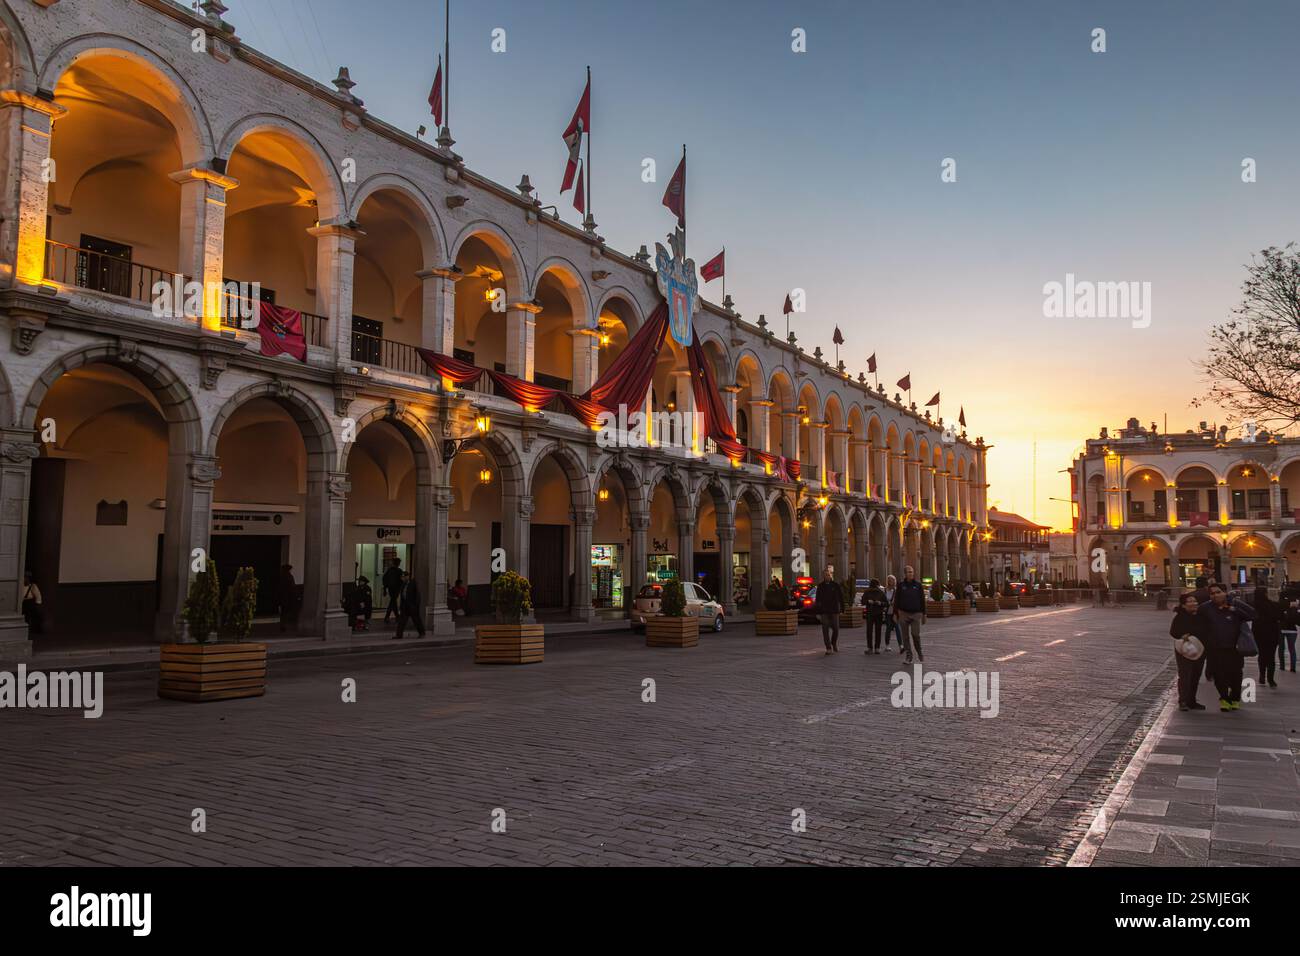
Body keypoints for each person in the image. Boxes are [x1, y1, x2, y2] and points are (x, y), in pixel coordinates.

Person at [1197, 582, 1256, 711]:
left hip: (1234, 648)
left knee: (1235, 674)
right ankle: (1224, 698)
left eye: (1218, 592)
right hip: (1215, 648)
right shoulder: (1205, 608)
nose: (1215, 595)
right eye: (1212, 593)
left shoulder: (1235, 603)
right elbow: (1197, 621)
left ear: (1225, 592)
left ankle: (1235, 698)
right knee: (1219, 675)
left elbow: (1252, 615)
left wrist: (1233, 610)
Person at [1168, 593, 1207, 711]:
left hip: (1199, 648)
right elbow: (1173, 632)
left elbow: (1206, 629)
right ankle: (1183, 700)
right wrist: (1184, 635)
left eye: (1194, 601)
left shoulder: (1201, 616)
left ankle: (1192, 700)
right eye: (1189, 601)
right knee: (1185, 674)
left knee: (1196, 675)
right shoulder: (1180, 617)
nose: (1193, 603)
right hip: (1184, 650)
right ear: (1184, 605)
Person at [894, 565, 927, 665]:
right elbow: (897, 600)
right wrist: (895, 613)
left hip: (916, 614)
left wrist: (924, 614)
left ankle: (919, 651)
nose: (911, 574)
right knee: (905, 637)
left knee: (915, 634)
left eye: (912, 572)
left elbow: (922, 600)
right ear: (905, 574)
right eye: (908, 572)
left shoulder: (918, 585)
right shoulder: (900, 585)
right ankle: (909, 655)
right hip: (903, 613)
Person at [1252, 585, 1281, 688]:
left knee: (1262, 655)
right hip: (1272, 634)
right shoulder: (1272, 605)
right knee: (1271, 657)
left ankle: (1262, 675)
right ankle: (1271, 679)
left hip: (1259, 634)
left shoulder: (1254, 606)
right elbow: (1279, 616)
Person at [813, 567, 842, 655]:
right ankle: (828, 647)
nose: (827, 576)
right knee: (825, 629)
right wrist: (817, 613)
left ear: (830, 575)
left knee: (836, 629)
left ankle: (833, 642)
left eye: (828, 575)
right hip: (824, 611)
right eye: (825, 575)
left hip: (834, 610)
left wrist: (842, 609)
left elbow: (841, 597)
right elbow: (817, 600)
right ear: (823, 576)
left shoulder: (835, 585)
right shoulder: (820, 586)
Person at [394, 570, 425, 639]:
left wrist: (416, 605)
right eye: (401, 577)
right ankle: (399, 635)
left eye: (403, 577)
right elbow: (402, 596)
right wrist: (401, 606)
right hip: (405, 606)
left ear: (407, 577)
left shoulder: (413, 583)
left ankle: (422, 633)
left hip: (412, 606)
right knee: (402, 621)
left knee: (416, 620)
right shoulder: (403, 585)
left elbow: (417, 595)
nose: (402, 578)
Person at [861, 578, 887, 655]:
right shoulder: (881, 592)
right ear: (877, 585)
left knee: (869, 631)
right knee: (878, 631)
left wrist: (868, 602)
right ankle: (877, 648)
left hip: (870, 613)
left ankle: (870, 648)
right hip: (878, 613)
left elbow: (862, 601)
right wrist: (880, 603)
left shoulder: (867, 592)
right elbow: (886, 603)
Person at [882, 574, 903, 652]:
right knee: (888, 628)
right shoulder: (884, 590)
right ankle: (887, 645)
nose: (892, 581)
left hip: (895, 612)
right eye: (890, 580)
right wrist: (886, 604)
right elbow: (882, 600)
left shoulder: (897, 590)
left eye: (893, 580)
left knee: (897, 628)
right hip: (887, 612)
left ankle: (901, 645)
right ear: (888, 581)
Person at [277, 563, 299, 633]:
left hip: (283, 597)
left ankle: (283, 625)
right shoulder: (289, 577)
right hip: (288, 597)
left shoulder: (281, 577)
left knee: (283, 612)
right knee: (287, 612)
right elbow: (292, 587)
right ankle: (285, 625)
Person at [382, 558, 404, 624]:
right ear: (398, 563)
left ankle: (396, 616)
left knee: (393, 601)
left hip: (391, 589)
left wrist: (385, 589)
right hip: (396, 589)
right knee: (393, 602)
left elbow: (384, 579)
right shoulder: (399, 571)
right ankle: (390, 617)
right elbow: (401, 581)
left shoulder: (389, 570)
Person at [21, 571, 42, 636]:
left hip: (29, 603)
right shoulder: (20, 586)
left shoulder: (33, 586)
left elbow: (38, 596)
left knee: (31, 616)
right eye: (24, 577)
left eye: (26, 578)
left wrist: (37, 604)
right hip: (23, 603)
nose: (25, 579)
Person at [1282, 600, 1300, 674]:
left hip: (1283, 630)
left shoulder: (1284, 609)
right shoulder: (1297, 611)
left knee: (1281, 648)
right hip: (1293, 631)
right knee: (1292, 649)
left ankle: (1282, 666)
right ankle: (1293, 667)